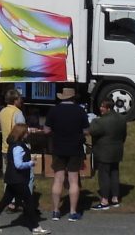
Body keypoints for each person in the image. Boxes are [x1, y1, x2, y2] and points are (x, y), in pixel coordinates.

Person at [0, 124, 49, 234]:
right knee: (29, 202)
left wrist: (34, 130)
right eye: (26, 132)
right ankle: (36, 227)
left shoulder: (13, 143)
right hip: (18, 179)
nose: (27, 133)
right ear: (21, 134)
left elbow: (26, 130)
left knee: (5, 201)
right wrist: (30, 163)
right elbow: (19, 165)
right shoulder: (19, 147)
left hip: (12, 178)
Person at [47, 85, 90, 221]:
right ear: (73, 98)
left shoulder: (54, 110)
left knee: (58, 179)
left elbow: (46, 130)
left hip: (58, 147)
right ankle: (72, 212)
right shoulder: (80, 111)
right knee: (73, 180)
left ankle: (55, 211)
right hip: (75, 148)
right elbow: (86, 131)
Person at [88, 98, 133, 209]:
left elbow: (92, 131)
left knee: (104, 176)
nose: (100, 108)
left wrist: (92, 121)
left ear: (108, 108)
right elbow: (124, 135)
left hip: (104, 152)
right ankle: (115, 198)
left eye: (102, 107)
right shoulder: (122, 119)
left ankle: (104, 201)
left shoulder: (100, 121)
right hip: (117, 151)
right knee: (114, 174)